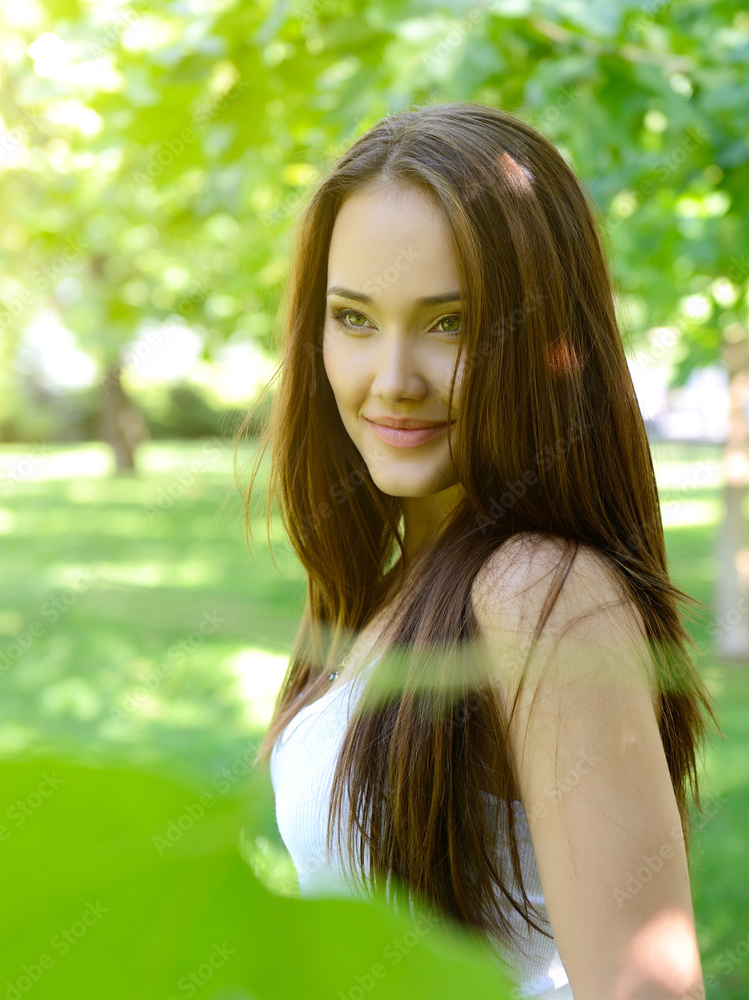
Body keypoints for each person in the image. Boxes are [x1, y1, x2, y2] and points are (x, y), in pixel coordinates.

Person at [234, 100, 720, 1000]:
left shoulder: (539, 592)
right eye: (354, 318)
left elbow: (647, 990)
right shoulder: (393, 586)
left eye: (450, 323)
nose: (393, 380)